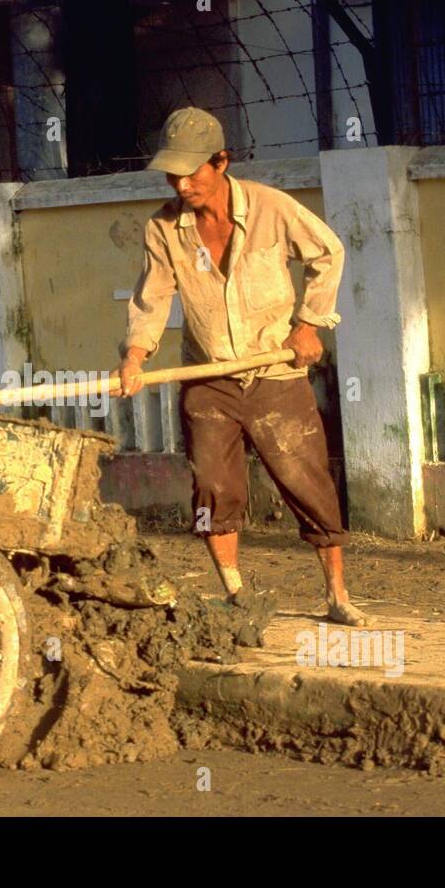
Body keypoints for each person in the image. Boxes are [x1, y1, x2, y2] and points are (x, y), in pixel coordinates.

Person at [113, 106, 370, 627]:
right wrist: (135, 356)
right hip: (207, 380)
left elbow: (329, 252)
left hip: (275, 377)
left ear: (222, 161)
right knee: (212, 487)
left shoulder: (272, 210)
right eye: (173, 174)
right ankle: (234, 593)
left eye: (192, 171)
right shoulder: (164, 229)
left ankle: (337, 596)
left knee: (306, 481)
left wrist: (309, 324)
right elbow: (153, 297)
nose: (182, 184)